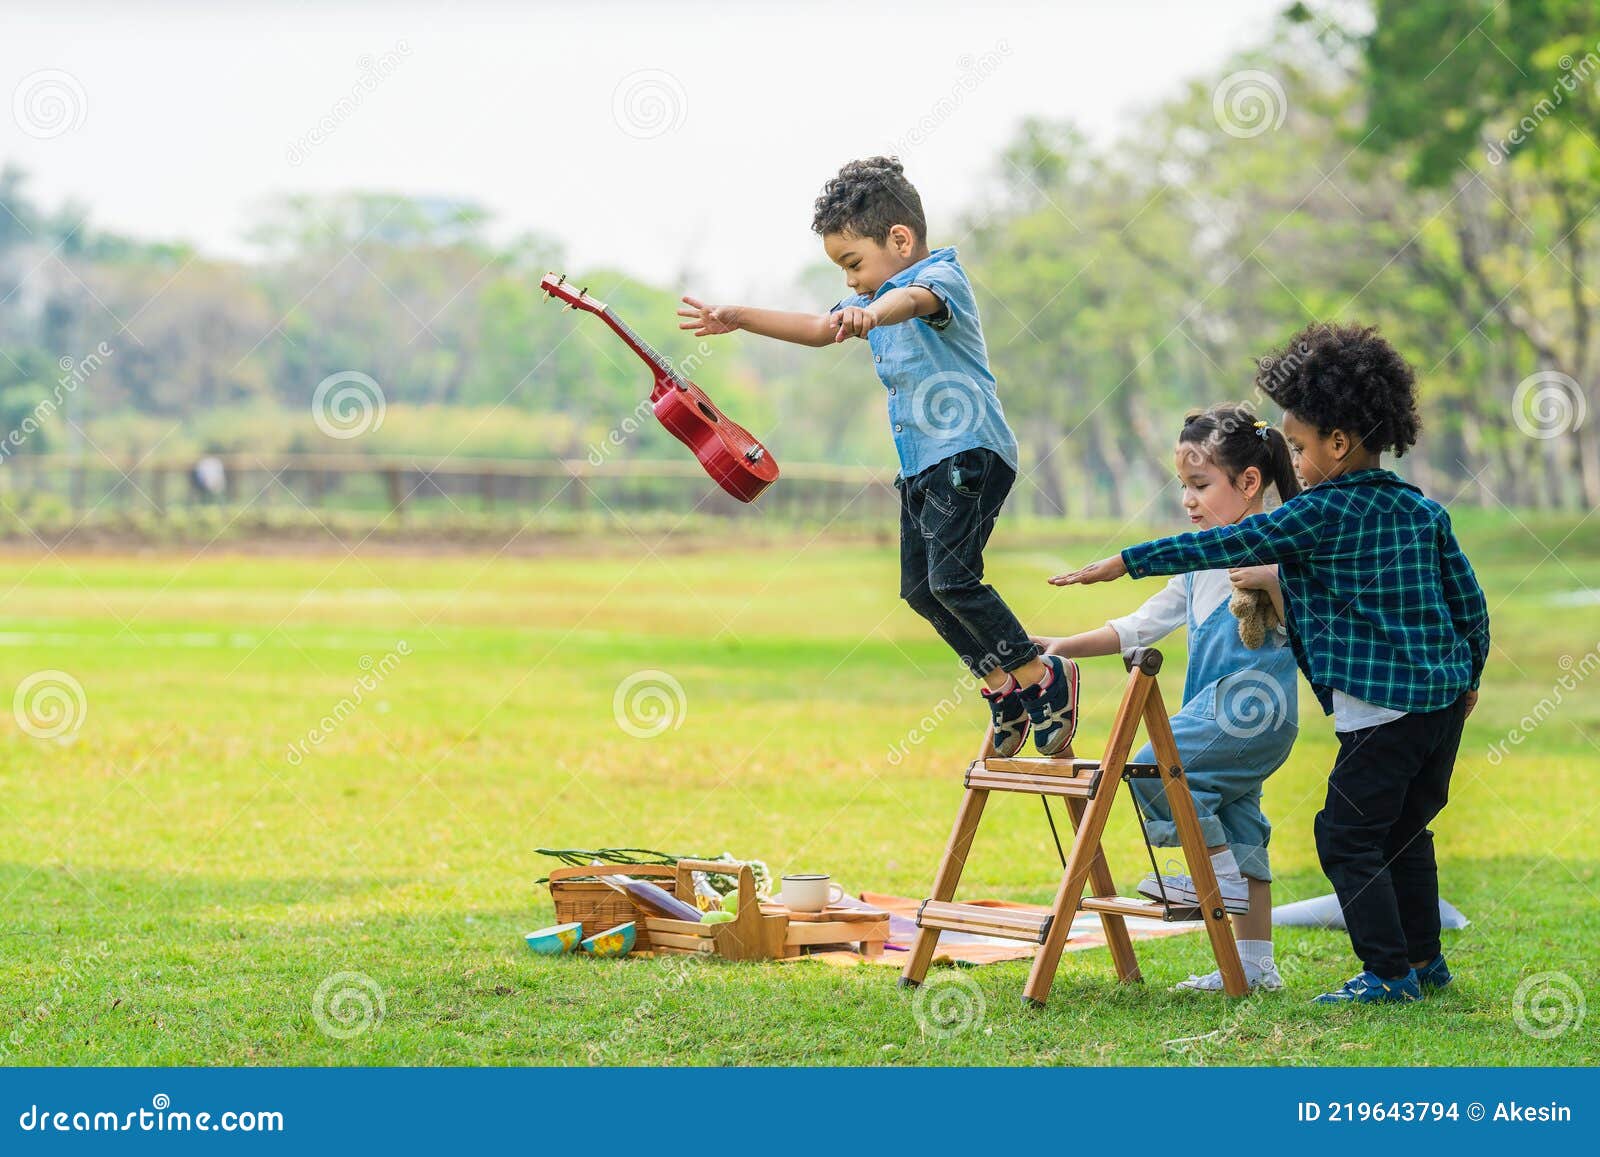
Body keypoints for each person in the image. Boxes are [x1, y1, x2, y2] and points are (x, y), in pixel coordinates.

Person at [1053, 323, 1489, 1004]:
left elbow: (1237, 539)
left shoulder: (1320, 514)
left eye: (1300, 444)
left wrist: (1124, 561)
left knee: (1345, 835)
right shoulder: (1421, 509)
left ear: (1337, 444)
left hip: (1381, 713)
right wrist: (1472, 678)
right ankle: (1425, 961)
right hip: (1438, 709)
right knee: (1404, 831)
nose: (1297, 458)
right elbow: (1470, 602)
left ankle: (1390, 972)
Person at [680, 157, 1079, 756]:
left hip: (968, 453)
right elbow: (819, 329)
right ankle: (1002, 686)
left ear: (900, 239)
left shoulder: (940, 279)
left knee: (953, 580)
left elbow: (914, 302)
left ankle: (1043, 677)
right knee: (920, 590)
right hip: (923, 466)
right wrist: (736, 317)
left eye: (852, 264)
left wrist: (874, 309)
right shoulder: (869, 297)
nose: (849, 282)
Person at [1037, 404, 1299, 992]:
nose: (1188, 500)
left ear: (1249, 483)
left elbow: (1306, 628)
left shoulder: (1282, 544)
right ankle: (1255, 966)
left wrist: (1271, 580)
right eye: (1184, 486)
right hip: (1224, 714)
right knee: (1242, 826)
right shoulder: (1194, 565)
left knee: (1152, 763)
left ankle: (1216, 881)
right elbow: (1138, 626)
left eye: (1201, 485)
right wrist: (1061, 645)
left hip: (1251, 708)